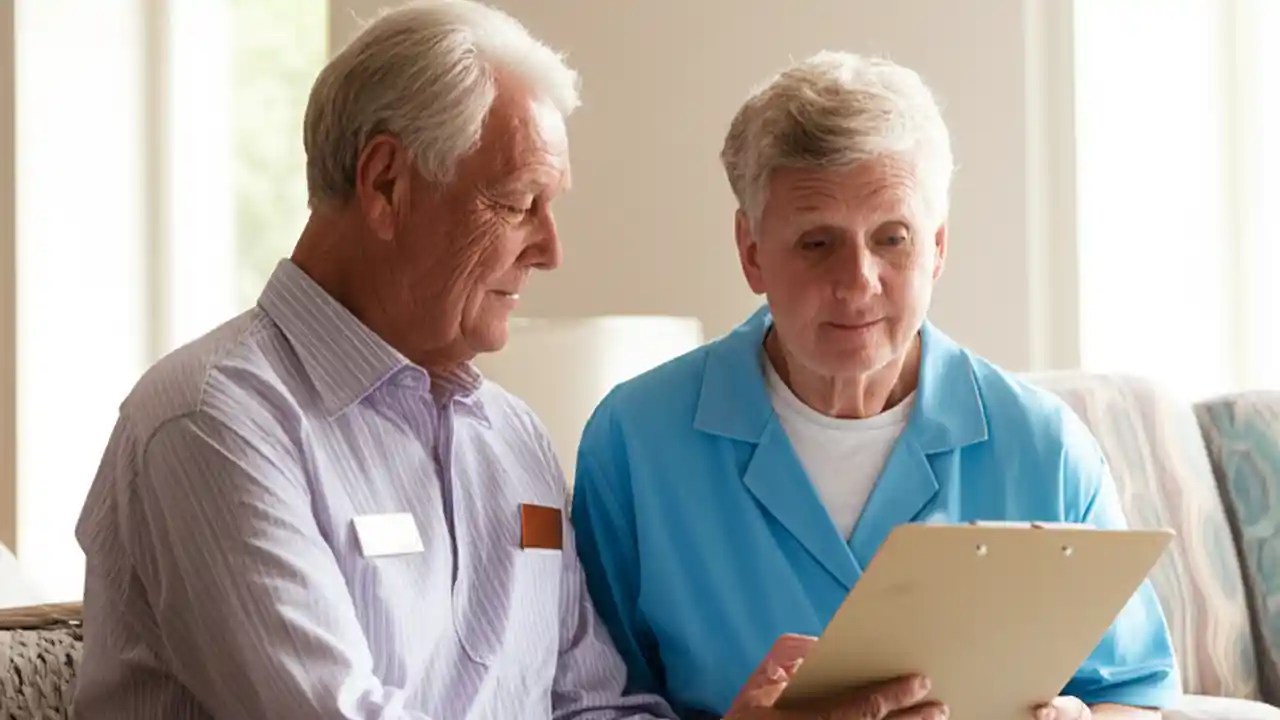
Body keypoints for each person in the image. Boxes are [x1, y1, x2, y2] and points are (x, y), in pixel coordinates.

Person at [71, 2, 682, 718]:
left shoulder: (513, 439)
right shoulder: (209, 422)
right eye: (519, 203)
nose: (551, 250)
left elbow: (590, 708)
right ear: (387, 182)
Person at [571, 51, 1180, 720]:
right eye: (816, 243)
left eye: (892, 238)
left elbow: (1132, 693)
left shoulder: (1043, 445)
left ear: (938, 247)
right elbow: (594, 702)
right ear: (751, 251)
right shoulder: (635, 440)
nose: (859, 280)